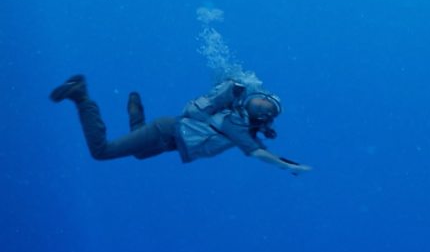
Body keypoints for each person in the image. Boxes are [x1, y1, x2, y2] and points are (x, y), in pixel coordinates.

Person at [50, 74, 311, 174]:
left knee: (140, 154)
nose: (257, 106)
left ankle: (135, 111)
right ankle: (81, 97)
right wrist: (285, 167)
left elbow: (260, 147)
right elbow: (257, 153)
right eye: (258, 102)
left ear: (266, 118)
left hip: (170, 141)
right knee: (101, 152)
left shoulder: (243, 125)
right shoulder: (235, 121)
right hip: (166, 131)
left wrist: (287, 163)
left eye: (265, 109)